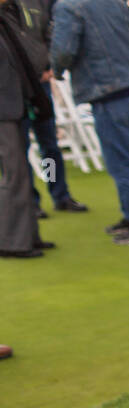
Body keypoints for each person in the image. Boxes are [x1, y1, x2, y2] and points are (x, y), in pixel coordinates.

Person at [50, 0, 129, 244]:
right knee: (126, 156)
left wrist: (56, 71)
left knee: (120, 161)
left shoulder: (69, 6)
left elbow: (63, 50)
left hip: (106, 90)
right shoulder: (117, 3)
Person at [13, 0, 88, 215]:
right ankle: (30, 201)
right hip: (13, 89)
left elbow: (52, 34)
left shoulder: (43, 2)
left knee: (49, 145)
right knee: (20, 147)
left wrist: (50, 67)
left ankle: (60, 195)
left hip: (39, 85)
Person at [0, 0, 53, 257]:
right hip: (4, 109)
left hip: (16, 104)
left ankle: (29, 237)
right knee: (14, 175)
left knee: (20, 173)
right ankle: (12, 242)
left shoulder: (8, 15)